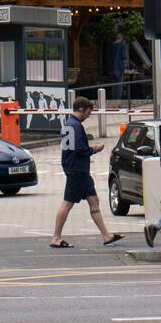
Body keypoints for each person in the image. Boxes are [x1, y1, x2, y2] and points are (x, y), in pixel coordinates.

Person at [51, 97, 123, 248]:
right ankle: (56, 238)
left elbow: (70, 148)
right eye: (89, 112)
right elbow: (80, 149)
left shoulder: (68, 124)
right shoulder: (76, 126)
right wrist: (94, 149)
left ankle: (106, 235)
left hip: (77, 169)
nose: (89, 115)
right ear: (82, 109)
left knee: (93, 200)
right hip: (77, 170)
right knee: (67, 203)